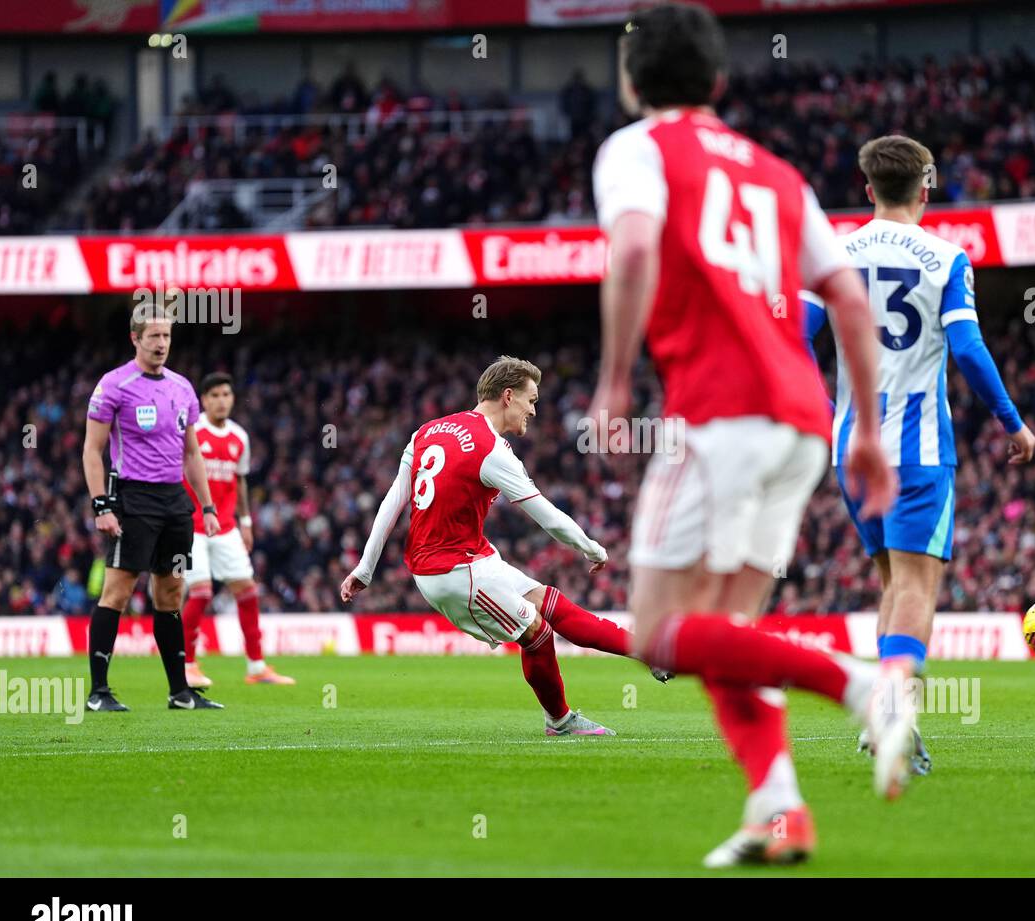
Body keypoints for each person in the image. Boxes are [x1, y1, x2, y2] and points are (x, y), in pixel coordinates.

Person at [589, 2, 905, 869]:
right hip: (803, 422)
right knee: (728, 632)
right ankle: (779, 812)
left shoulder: (636, 149)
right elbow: (845, 297)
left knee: (656, 633)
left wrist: (615, 380)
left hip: (717, 416)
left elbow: (635, 250)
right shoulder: (777, 172)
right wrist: (867, 430)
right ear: (719, 80)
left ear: (631, 80)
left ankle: (862, 683)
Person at [802, 135, 1035, 771]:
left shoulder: (833, 255)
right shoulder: (945, 258)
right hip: (917, 447)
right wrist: (1012, 423)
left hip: (851, 448)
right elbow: (965, 348)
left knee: (889, 582)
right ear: (926, 189)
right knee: (914, 589)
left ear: (868, 188)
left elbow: (792, 339)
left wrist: (830, 419)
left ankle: (882, 716)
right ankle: (895, 723)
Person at [340, 356, 660, 736]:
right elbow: (547, 516)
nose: (534, 410)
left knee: (549, 602)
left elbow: (393, 502)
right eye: (531, 400)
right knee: (536, 632)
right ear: (508, 396)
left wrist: (365, 568)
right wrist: (592, 548)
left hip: (470, 555)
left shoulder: (427, 431)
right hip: (453, 572)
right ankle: (559, 721)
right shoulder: (490, 449)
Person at [82, 307, 223, 711]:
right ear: (135, 339)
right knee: (118, 591)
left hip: (175, 504)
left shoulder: (182, 388)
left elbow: (192, 452)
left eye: (167, 336)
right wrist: (102, 505)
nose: (161, 343)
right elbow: (92, 450)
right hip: (133, 499)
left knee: (171, 592)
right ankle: (98, 692)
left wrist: (207, 506)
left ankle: (180, 692)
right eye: (154, 336)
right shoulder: (114, 385)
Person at [181, 373, 295, 688]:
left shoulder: (239, 437)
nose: (221, 400)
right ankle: (187, 665)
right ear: (204, 400)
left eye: (226, 394)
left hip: (227, 526)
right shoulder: (192, 433)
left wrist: (246, 522)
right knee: (201, 593)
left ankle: (256, 667)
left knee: (247, 592)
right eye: (215, 394)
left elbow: (240, 480)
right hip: (192, 526)